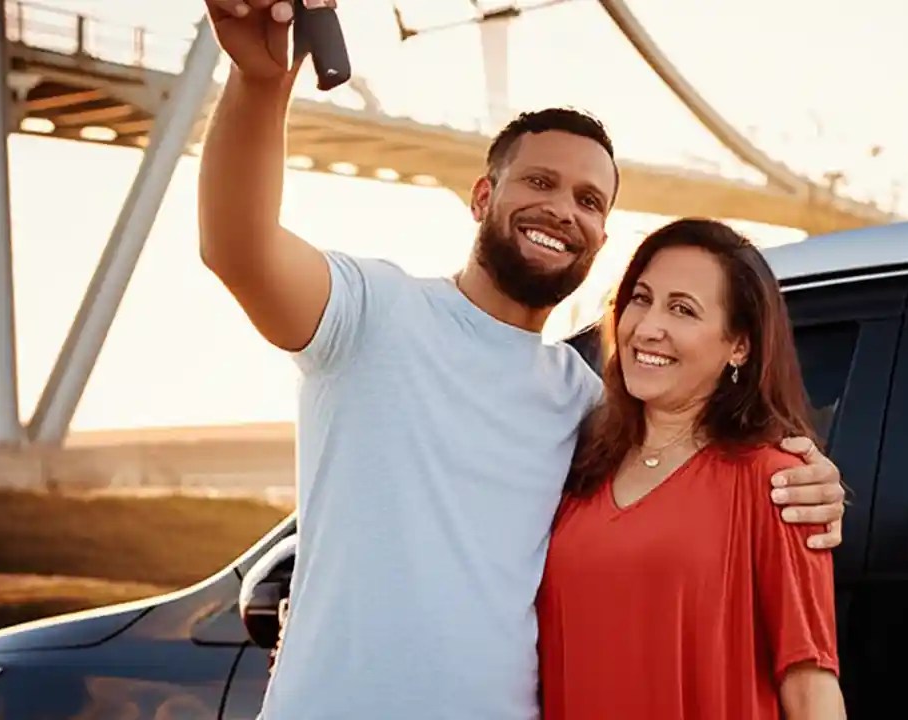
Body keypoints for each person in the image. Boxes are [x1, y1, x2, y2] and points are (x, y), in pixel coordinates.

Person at [197, 2, 847, 717]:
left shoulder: (586, 401)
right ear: (482, 196)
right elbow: (239, 247)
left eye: (589, 199)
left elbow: (699, 461)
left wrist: (813, 485)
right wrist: (258, 83)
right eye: (539, 182)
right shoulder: (370, 312)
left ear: (600, 239)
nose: (563, 209)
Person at [537, 218, 845, 719]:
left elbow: (811, 687)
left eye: (682, 309)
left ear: (739, 345)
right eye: (641, 298)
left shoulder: (777, 480)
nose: (648, 327)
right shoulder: (580, 461)